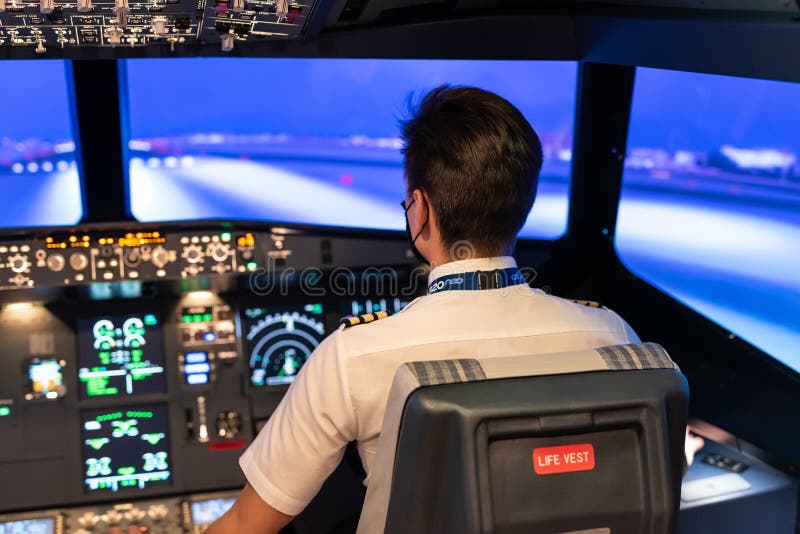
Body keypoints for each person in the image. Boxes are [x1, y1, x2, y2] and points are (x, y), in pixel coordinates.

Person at [208, 86, 699, 534]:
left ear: (419, 210)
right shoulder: (611, 336)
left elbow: (246, 526)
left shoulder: (353, 357)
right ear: (521, 205)